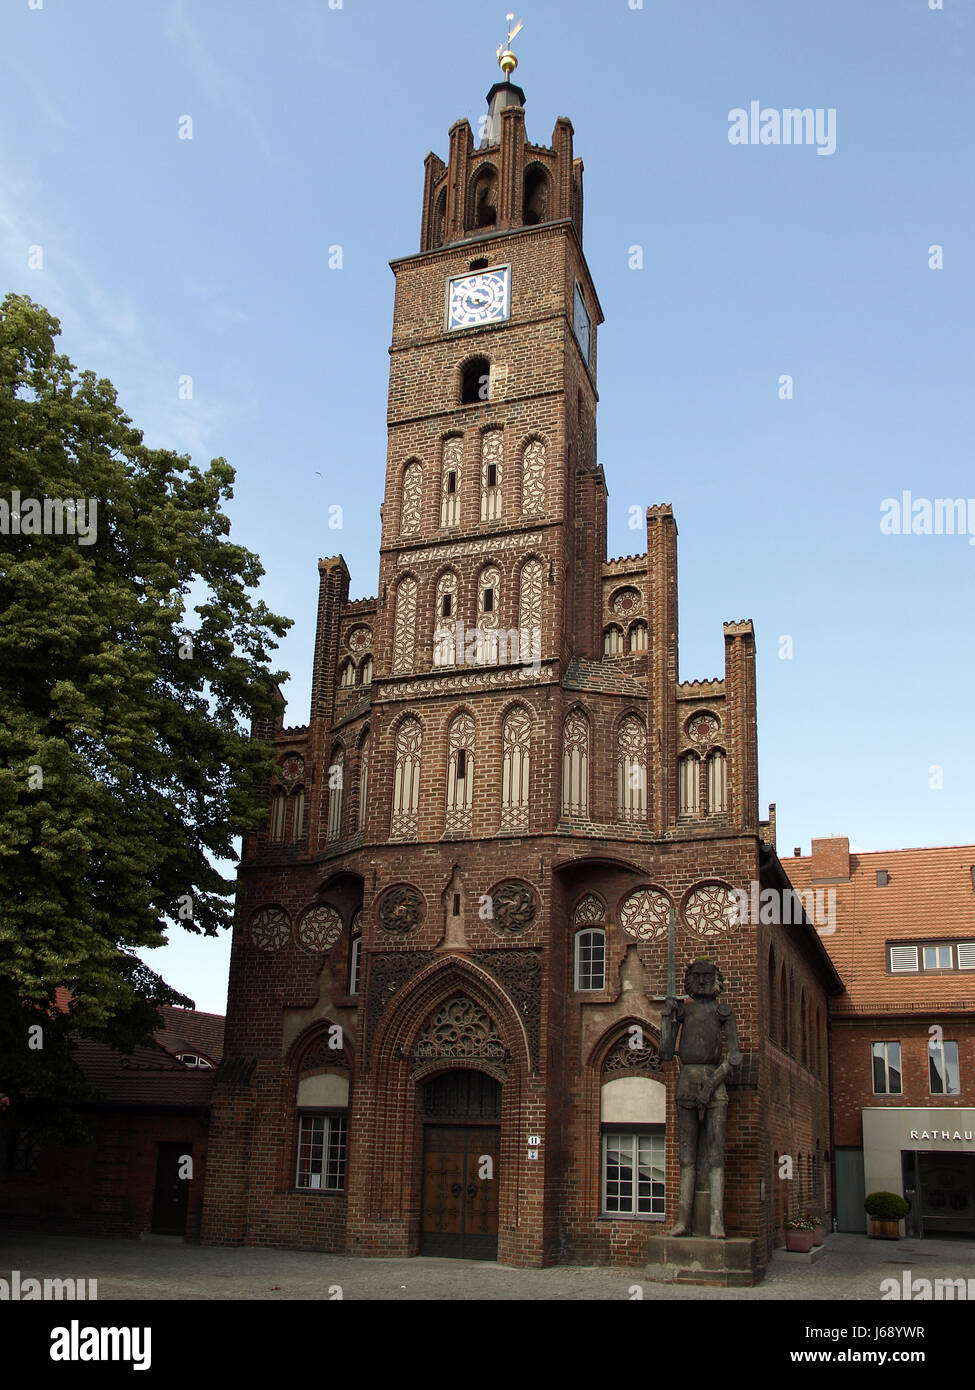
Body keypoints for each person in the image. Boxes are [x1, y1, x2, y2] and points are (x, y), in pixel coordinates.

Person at [658, 958, 741, 1238]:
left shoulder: (723, 1012)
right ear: (689, 980)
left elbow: (733, 1058)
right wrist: (666, 1019)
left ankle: (716, 1220)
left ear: (716, 979)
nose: (702, 980)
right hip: (687, 1080)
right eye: (697, 976)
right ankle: (683, 1221)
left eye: (707, 975)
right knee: (687, 1157)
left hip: (714, 1081)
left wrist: (711, 1086)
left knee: (716, 1156)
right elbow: (667, 1052)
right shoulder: (685, 1012)